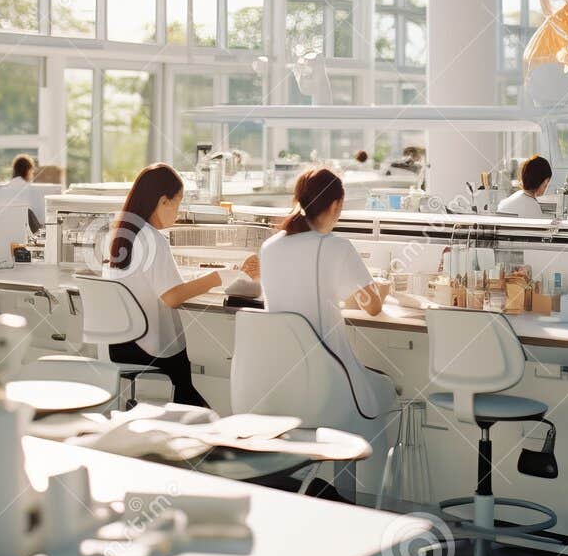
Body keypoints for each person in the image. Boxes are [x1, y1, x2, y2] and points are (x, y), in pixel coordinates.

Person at [257, 168, 396, 499]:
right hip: (326, 383)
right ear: (336, 206)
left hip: (277, 381)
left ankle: (324, 492)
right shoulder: (336, 246)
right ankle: (370, 502)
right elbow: (372, 307)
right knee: (390, 392)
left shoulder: (270, 247)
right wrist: (384, 289)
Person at [103, 164, 259, 408]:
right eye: (178, 202)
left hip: (122, 347)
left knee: (189, 378)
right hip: (154, 351)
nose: (178, 211)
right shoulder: (153, 240)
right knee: (197, 372)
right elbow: (172, 297)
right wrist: (219, 277)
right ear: (163, 201)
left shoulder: (125, 234)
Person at [0, 154, 45, 233]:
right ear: (28, 170)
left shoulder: (3, 189)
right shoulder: (30, 189)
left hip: (5, 231)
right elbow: (40, 217)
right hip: (27, 232)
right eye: (32, 172)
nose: (32, 175)